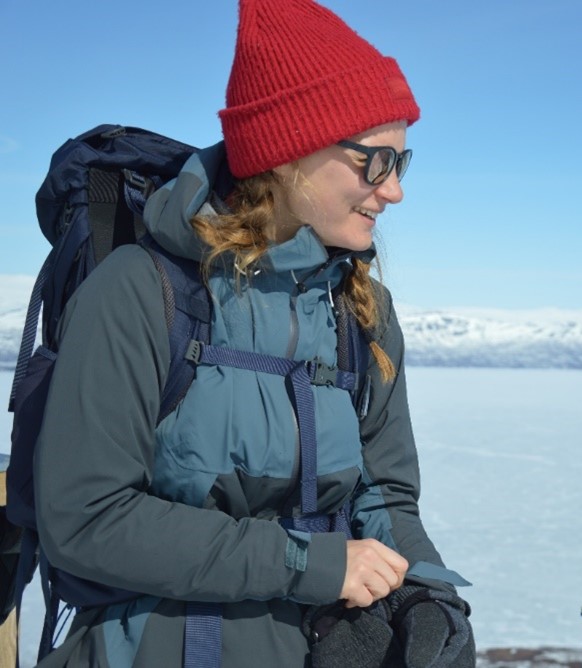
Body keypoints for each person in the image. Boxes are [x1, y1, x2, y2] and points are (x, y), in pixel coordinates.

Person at [32, 1, 474, 666]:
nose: (393, 192)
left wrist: (426, 596)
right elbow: (86, 519)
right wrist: (314, 565)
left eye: (400, 164)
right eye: (373, 162)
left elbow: (383, 494)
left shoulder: (364, 312)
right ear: (289, 151)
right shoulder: (141, 290)